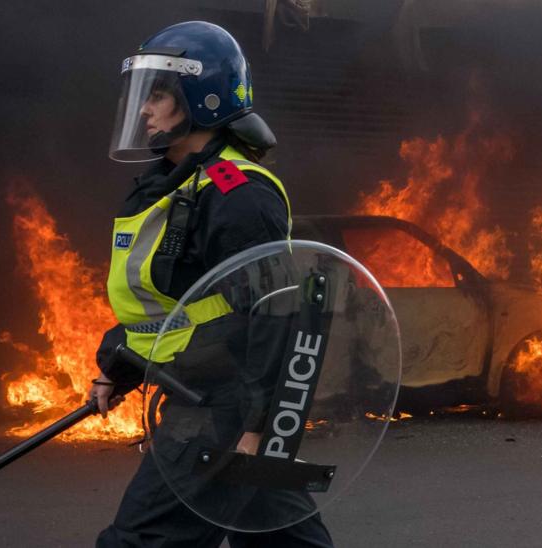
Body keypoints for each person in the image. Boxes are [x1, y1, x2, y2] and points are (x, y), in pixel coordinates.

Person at [87, 21, 334, 548]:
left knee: (141, 541)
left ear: (203, 98)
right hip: (197, 390)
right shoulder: (172, 184)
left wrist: (260, 428)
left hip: (220, 411)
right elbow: (175, 308)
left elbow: (276, 316)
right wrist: (119, 367)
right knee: (282, 540)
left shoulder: (237, 194)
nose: (143, 110)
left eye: (157, 95)